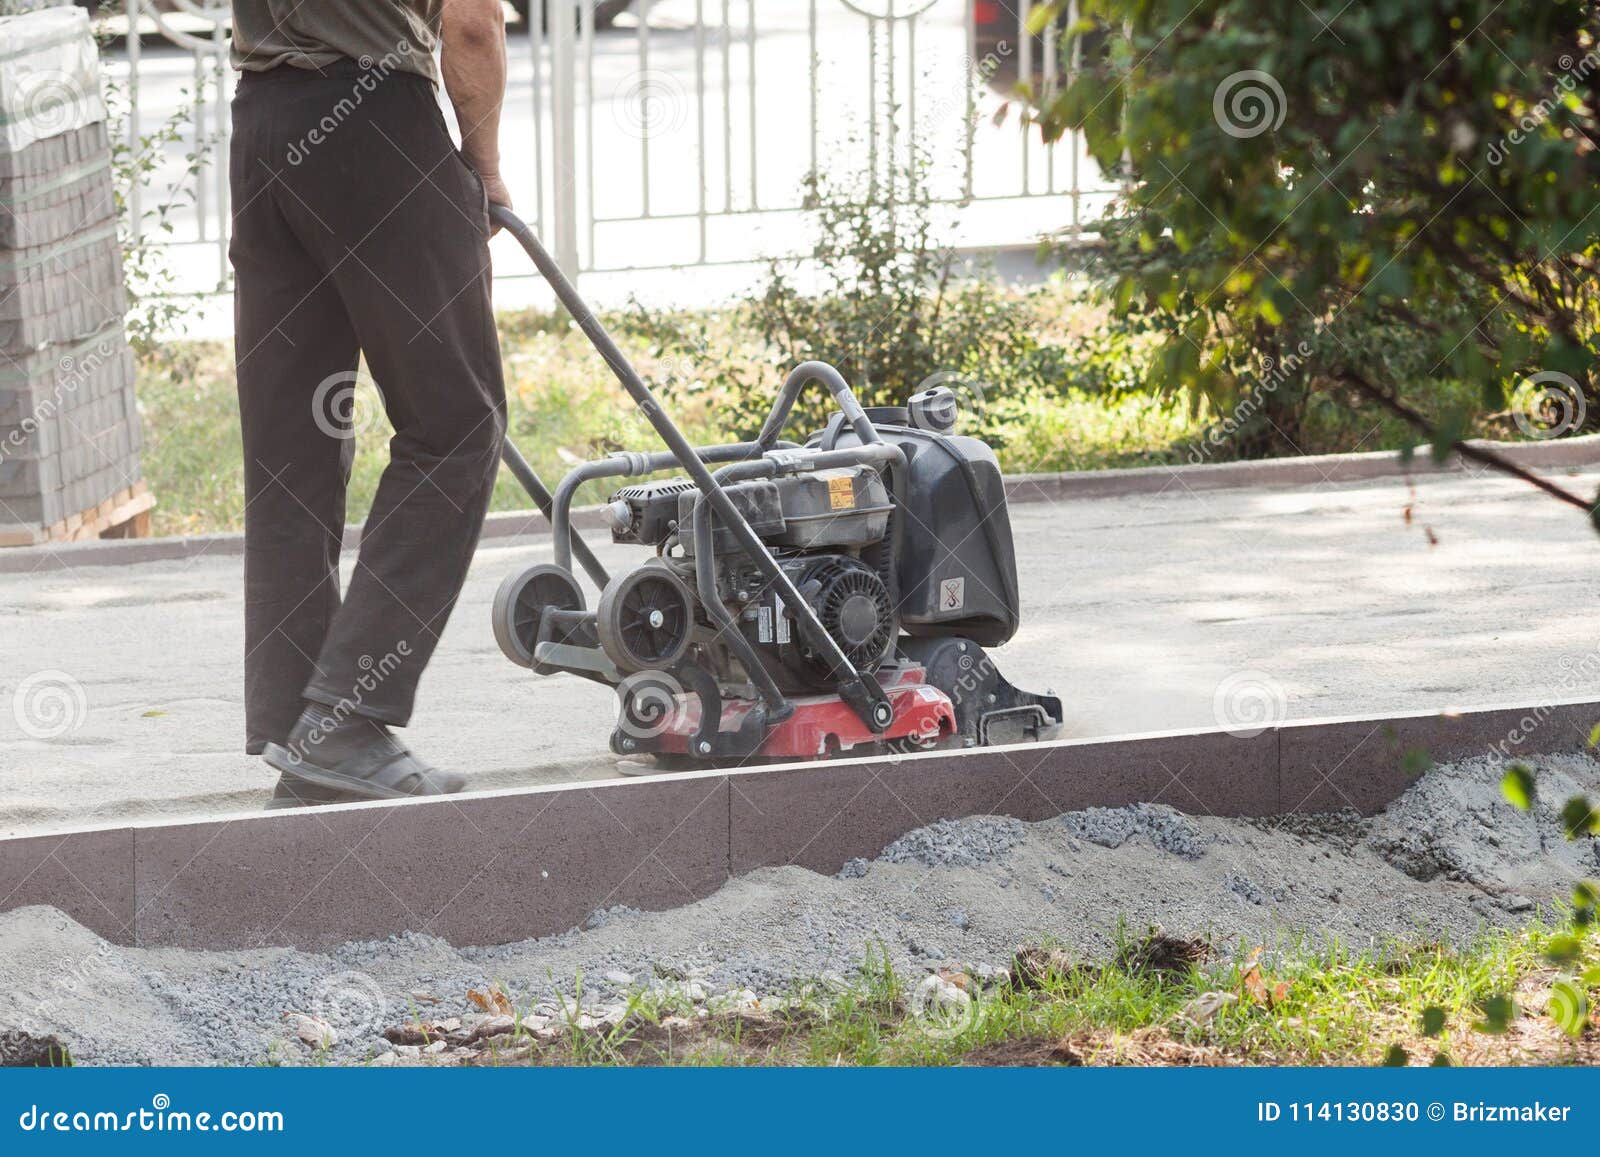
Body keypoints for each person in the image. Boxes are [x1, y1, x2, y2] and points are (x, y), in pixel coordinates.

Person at [226, 0, 511, 806]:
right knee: (456, 421)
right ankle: (343, 725)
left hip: (263, 126)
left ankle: (300, 727)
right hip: (375, 120)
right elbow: (471, 26)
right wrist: (483, 168)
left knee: (291, 447)